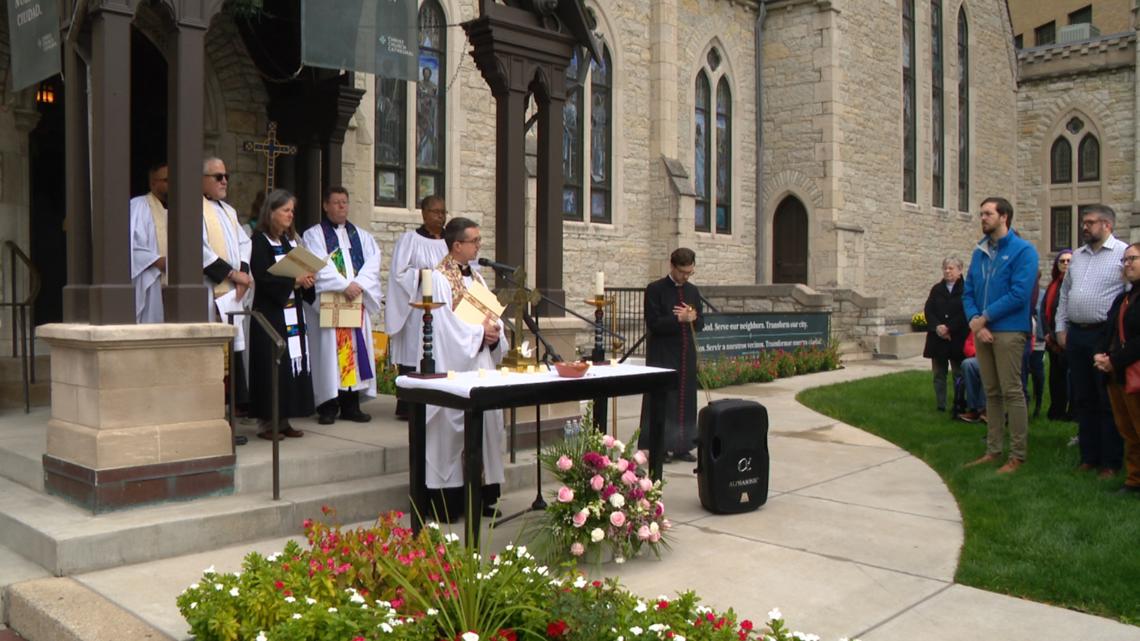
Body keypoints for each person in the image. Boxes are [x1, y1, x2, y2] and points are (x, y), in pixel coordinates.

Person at [423, 217, 506, 519]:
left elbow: (493, 318)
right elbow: (444, 329)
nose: (478, 246)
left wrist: (496, 333)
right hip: (455, 370)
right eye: (474, 241)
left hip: (482, 364)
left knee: (486, 430)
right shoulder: (438, 279)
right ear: (457, 245)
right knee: (451, 433)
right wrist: (479, 334)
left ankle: (482, 497)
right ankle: (449, 503)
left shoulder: (479, 279)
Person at [963, 197, 1039, 474]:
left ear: (1004, 216)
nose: (982, 218)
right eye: (981, 213)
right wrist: (976, 321)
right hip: (983, 330)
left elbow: (1019, 294)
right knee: (991, 393)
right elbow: (968, 290)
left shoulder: (1024, 252)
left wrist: (986, 317)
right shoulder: (979, 252)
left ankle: (1017, 454)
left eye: (987, 213)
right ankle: (993, 450)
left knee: (1012, 392)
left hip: (1009, 330)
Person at [301, 187, 383, 425]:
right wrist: (343, 285)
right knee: (329, 355)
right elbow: (317, 264)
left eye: (345, 202)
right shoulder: (314, 235)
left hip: (355, 302)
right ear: (325, 206)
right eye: (336, 203)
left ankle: (351, 405)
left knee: (354, 353)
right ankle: (328, 405)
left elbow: (373, 263)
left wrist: (358, 285)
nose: (341, 207)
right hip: (331, 304)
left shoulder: (362, 236)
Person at [1056, 205, 1126, 479]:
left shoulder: (1123, 254)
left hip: (1104, 337)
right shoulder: (1079, 256)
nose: (1084, 227)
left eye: (1090, 222)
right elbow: (1065, 295)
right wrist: (1061, 328)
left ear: (1107, 225)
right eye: (1083, 222)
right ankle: (1088, 456)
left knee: (1106, 399)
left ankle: (1110, 461)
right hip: (1077, 335)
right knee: (1083, 398)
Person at [248, 189, 317, 440]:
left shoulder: (289, 243)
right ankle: (268, 423)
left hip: (291, 312)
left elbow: (296, 276)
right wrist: (294, 280)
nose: (290, 215)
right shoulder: (259, 242)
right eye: (286, 210)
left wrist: (307, 280)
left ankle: (284, 418)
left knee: (289, 365)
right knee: (271, 365)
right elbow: (263, 277)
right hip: (270, 314)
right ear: (272, 212)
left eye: (292, 211)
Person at [202, 157, 252, 445]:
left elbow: (244, 243)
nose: (224, 181)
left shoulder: (230, 211)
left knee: (232, 363)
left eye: (226, 176)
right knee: (215, 363)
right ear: (202, 179)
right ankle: (214, 425)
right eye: (217, 176)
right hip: (212, 296)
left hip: (233, 296)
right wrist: (233, 274)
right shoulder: (193, 209)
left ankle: (230, 424)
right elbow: (200, 250)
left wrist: (243, 273)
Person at [638, 247, 704, 463]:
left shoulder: (693, 291)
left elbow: (701, 322)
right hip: (663, 354)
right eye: (682, 272)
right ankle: (660, 446)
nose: (685, 277)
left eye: (689, 273)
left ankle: (683, 445)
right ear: (672, 266)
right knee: (665, 400)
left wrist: (693, 317)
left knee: (685, 398)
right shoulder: (655, 289)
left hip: (686, 355)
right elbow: (653, 323)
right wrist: (678, 319)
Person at [385, 196, 448, 420]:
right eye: (435, 212)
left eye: (443, 212)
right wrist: (423, 275)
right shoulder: (410, 240)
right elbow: (399, 273)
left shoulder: (450, 241)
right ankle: (409, 407)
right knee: (415, 351)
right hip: (417, 308)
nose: (440, 216)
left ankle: (438, 402)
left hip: (443, 309)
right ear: (423, 213)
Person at [1094, 242, 1140, 496]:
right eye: (1125, 260)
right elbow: (1108, 329)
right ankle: (1134, 480)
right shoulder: (1123, 297)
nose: (1128, 264)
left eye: (1133, 258)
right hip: (1119, 375)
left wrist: (1115, 360)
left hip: (1134, 371)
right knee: (1129, 430)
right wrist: (1100, 354)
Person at [923, 257, 967, 413]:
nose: (947, 271)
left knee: (959, 373)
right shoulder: (936, 289)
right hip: (938, 338)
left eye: (951, 268)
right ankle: (941, 404)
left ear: (960, 270)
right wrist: (938, 328)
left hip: (957, 338)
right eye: (945, 268)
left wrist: (949, 328)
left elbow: (965, 313)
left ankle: (959, 402)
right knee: (939, 374)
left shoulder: (966, 289)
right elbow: (929, 310)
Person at [129, 162, 168, 323]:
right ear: (153, 182)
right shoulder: (138, 206)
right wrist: (157, 261)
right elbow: (131, 244)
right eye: (166, 180)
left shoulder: (183, 209)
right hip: (152, 278)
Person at [1041, 249, 1073, 421]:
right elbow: (1044, 310)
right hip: (1052, 340)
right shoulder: (1053, 286)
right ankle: (1057, 409)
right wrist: (1048, 333)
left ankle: (1072, 411)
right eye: (1062, 261)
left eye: (1069, 261)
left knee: (1073, 378)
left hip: (1069, 338)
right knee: (1056, 378)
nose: (1065, 264)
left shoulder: (1076, 284)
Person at [956, 333, 987, 424]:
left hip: (997, 359)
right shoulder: (978, 327)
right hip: (979, 357)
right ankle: (973, 409)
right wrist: (977, 353)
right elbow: (968, 346)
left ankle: (984, 408)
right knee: (967, 364)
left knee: (987, 367)